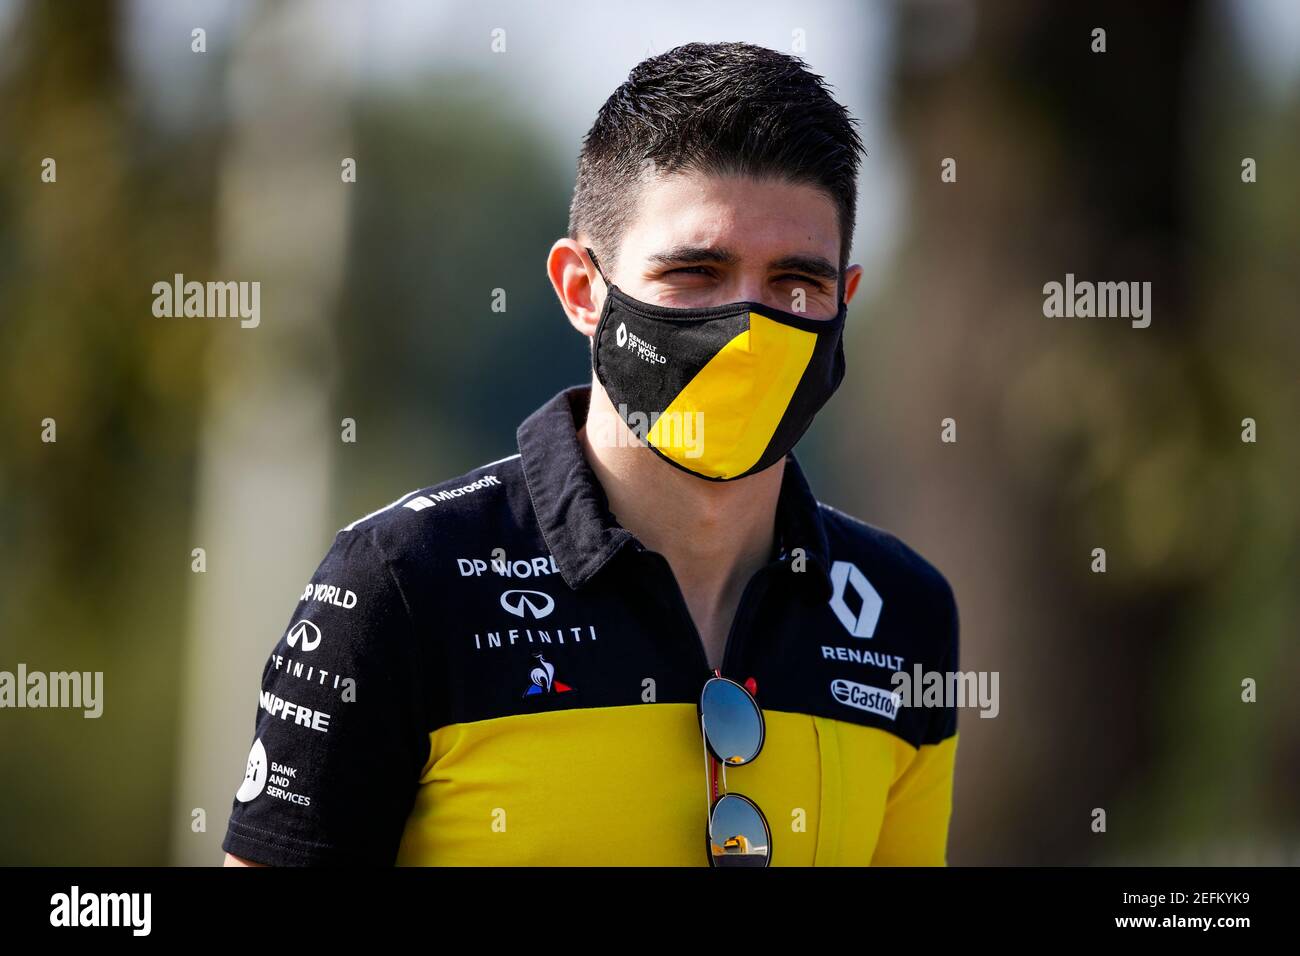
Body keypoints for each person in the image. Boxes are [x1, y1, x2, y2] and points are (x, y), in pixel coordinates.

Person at [223, 40, 958, 868]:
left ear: (844, 302)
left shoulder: (905, 616)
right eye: (696, 273)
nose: (751, 329)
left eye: (797, 284)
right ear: (582, 290)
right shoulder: (401, 584)